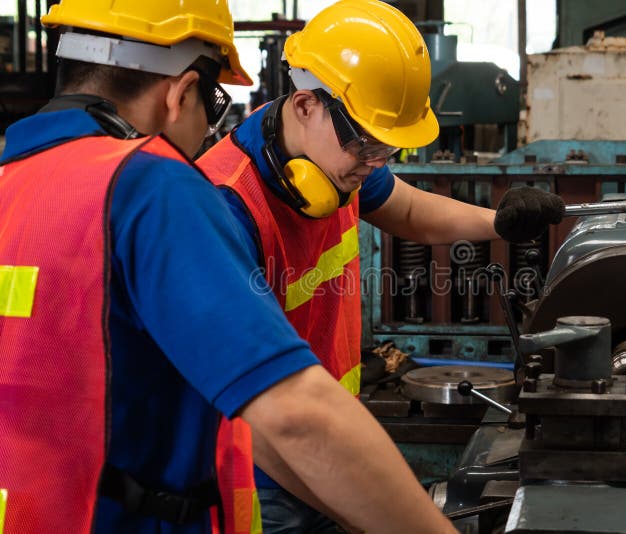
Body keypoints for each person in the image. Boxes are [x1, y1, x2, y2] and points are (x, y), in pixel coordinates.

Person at [0, 1, 459, 533]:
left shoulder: (13, 184)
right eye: (215, 102)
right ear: (181, 93)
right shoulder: (150, 189)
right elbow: (294, 414)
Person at [197, 0, 566, 531]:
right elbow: (258, 413)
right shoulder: (224, 207)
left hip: (327, 439)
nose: (374, 163)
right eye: (366, 143)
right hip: (265, 479)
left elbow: (409, 210)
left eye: (387, 149)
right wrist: (355, 508)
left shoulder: (333, 161)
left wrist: (499, 223)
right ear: (306, 104)